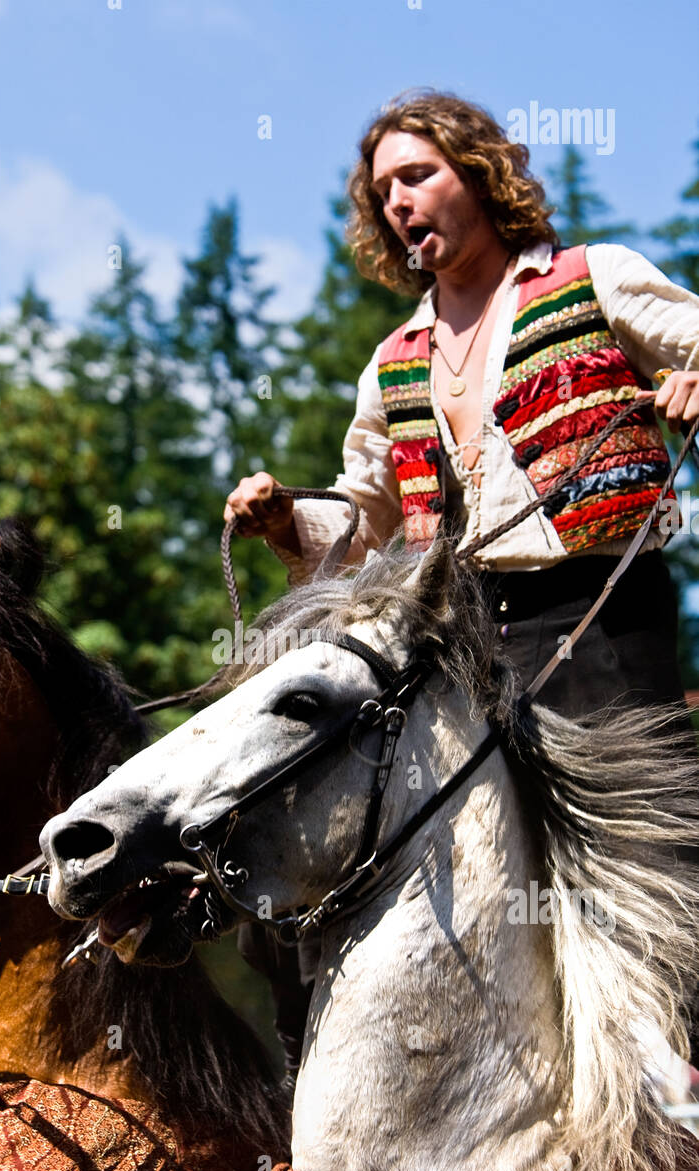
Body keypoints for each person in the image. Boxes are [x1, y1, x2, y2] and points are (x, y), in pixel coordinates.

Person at [224, 90, 699, 1080]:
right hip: (463, 636)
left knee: (633, 860)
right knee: (429, 852)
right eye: (380, 190)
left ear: (479, 175)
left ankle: (671, 1082)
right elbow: (356, 526)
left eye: (415, 175)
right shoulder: (391, 360)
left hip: (600, 611)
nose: (396, 202)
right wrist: (281, 523)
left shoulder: (592, 278)